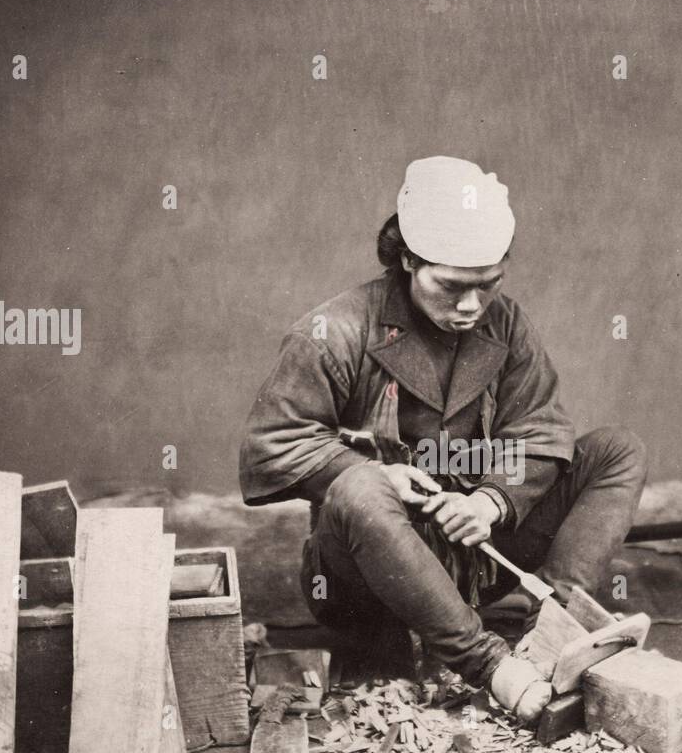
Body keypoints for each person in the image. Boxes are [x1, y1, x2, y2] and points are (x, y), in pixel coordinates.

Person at [239, 156, 646, 722]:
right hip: (371, 568)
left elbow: (541, 429)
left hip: (478, 552)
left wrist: (491, 500)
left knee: (615, 450)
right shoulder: (333, 332)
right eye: (452, 287)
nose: (471, 307)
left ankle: (548, 626)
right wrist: (377, 476)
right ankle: (493, 665)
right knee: (360, 489)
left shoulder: (503, 322)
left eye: (488, 286)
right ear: (407, 258)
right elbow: (271, 446)